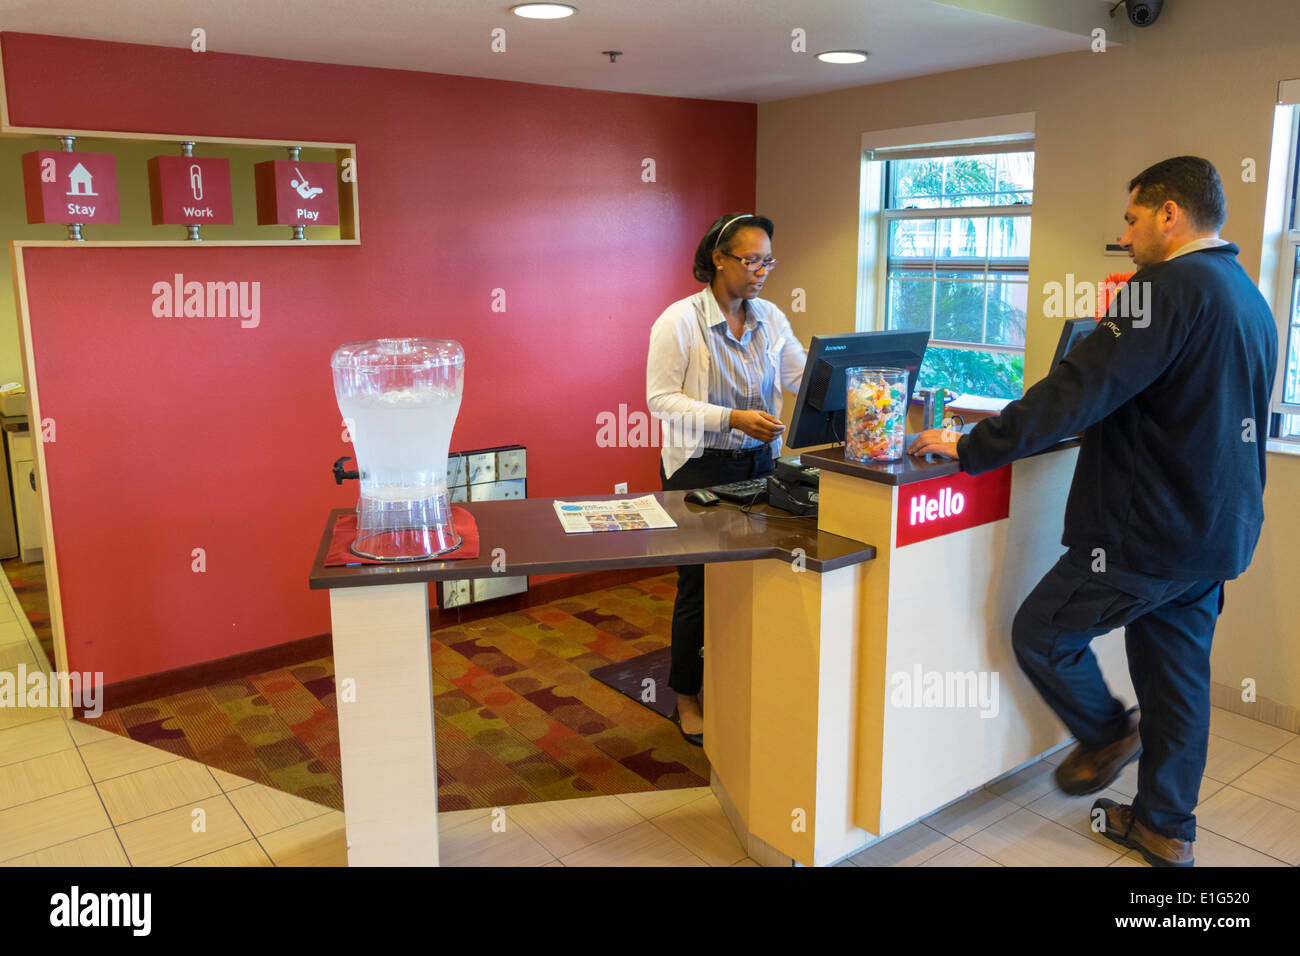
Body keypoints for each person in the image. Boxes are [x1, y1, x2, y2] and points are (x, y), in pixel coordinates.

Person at [908, 156, 1277, 866]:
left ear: (1171, 215)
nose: (1126, 233)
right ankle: (1166, 827)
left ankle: (1108, 733)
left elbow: (1072, 393)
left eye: (1134, 218)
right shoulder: (1244, 291)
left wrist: (970, 445)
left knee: (1043, 633)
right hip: (1216, 533)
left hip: (1149, 535)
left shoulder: (1163, 287)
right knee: (1177, 683)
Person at [645, 213, 808, 745]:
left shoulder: (771, 318)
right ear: (719, 259)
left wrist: (851, 387)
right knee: (698, 586)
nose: (761, 270)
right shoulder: (679, 321)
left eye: (768, 260)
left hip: (762, 463)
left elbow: (798, 377)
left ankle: (741, 680)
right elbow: (661, 401)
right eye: (751, 259)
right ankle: (686, 698)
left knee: (759, 578)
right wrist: (731, 417)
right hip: (700, 467)